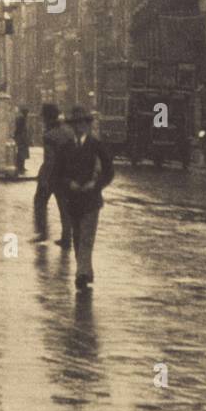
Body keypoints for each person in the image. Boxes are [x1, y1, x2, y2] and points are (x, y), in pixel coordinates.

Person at [53, 106, 115, 290]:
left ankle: (80, 273)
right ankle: (86, 271)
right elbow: (57, 174)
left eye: (83, 123)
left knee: (87, 237)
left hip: (91, 199)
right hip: (72, 199)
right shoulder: (65, 147)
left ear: (87, 125)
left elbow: (109, 171)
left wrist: (95, 185)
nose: (79, 127)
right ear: (72, 126)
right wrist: (68, 184)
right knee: (77, 237)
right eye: (76, 124)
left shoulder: (96, 145)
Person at [33, 103, 73, 245]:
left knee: (39, 201)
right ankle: (67, 237)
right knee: (64, 206)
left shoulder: (49, 136)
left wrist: (44, 178)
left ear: (47, 118)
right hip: (67, 175)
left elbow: (50, 160)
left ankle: (42, 232)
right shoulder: (69, 132)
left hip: (52, 176)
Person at [14, 108, 30, 177]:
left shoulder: (21, 118)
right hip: (22, 138)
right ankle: (20, 166)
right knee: (21, 152)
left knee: (21, 152)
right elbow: (19, 129)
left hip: (21, 138)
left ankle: (21, 166)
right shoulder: (22, 119)